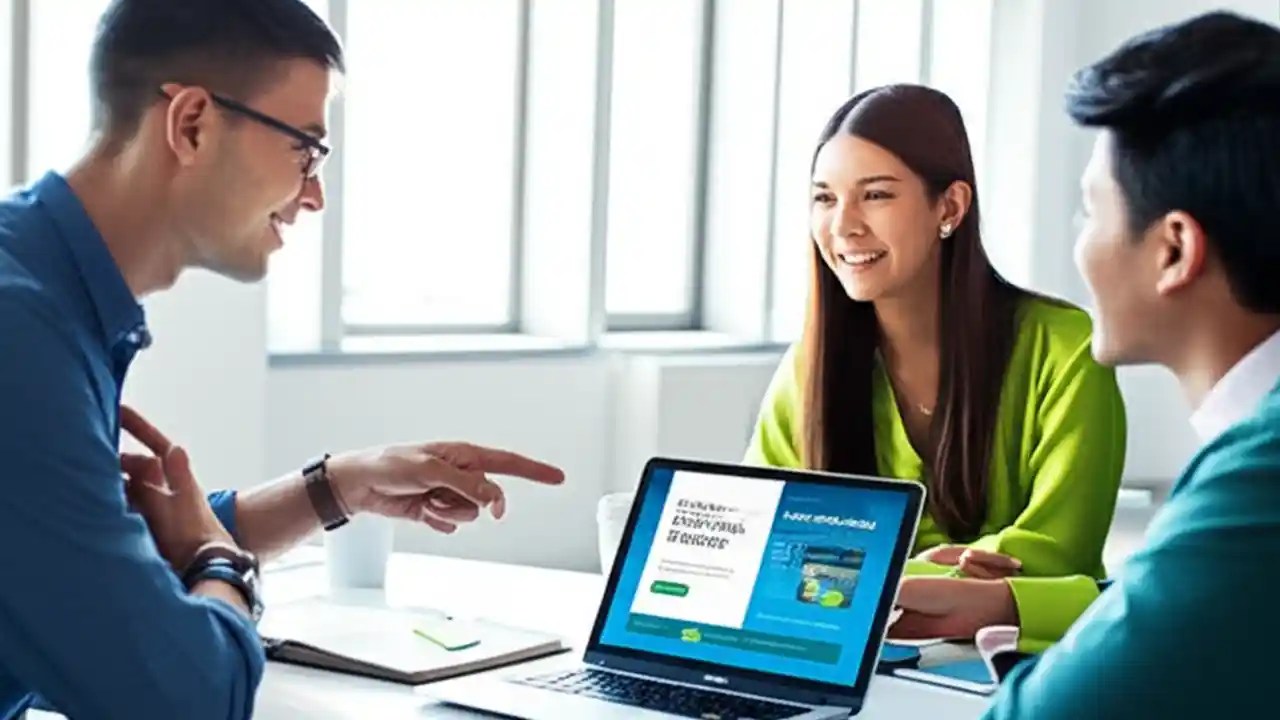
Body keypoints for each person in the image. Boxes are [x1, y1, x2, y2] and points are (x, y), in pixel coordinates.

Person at [0, 2, 563, 719]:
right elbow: (185, 699)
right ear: (192, 124)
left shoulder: (41, 293)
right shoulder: (19, 337)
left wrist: (337, 487)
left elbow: (80, 575)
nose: (315, 194)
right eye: (305, 148)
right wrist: (223, 566)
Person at [744, 84, 1128, 644]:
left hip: (1019, 664)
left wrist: (862, 572)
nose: (844, 225)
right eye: (824, 198)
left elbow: (1057, 555)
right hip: (857, 661)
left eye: (875, 195)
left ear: (949, 206)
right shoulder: (811, 367)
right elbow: (764, 551)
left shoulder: (1066, 350)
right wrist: (934, 572)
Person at [979, 10, 1280, 717]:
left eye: (1092, 212)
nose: (1080, 247)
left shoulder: (1261, 478)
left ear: (1174, 249)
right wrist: (1005, 602)